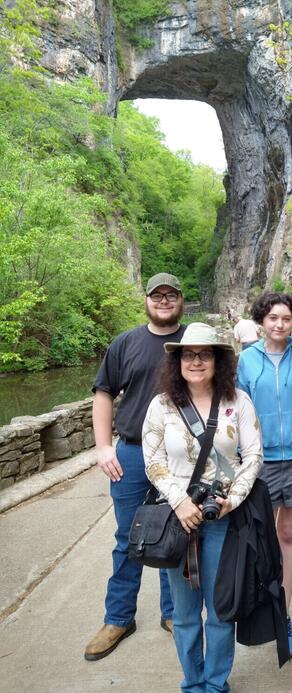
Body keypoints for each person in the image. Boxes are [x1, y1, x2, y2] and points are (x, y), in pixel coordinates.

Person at [143, 322, 263, 692]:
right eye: (188, 354)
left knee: (221, 609)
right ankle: (192, 683)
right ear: (177, 361)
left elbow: (254, 455)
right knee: (184, 614)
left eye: (205, 354)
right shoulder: (162, 405)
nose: (196, 361)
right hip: (177, 520)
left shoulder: (237, 401)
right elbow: (153, 459)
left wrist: (233, 499)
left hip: (222, 519)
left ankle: (215, 684)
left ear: (218, 360)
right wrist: (179, 502)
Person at [84, 273, 186, 661]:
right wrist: (104, 446)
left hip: (181, 457)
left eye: (171, 295)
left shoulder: (193, 340)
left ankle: (174, 613)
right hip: (131, 453)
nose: (163, 301)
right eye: (157, 295)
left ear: (181, 300)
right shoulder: (125, 343)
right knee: (128, 537)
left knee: (176, 534)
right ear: (146, 300)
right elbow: (104, 393)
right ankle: (119, 617)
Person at [236, 292, 292, 656]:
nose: (279, 324)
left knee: (288, 533)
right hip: (261, 462)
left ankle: (282, 615)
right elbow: (237, 412)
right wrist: (244, 458)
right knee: (261, 541)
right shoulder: (246, 360)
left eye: (286, 318)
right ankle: (262, 608)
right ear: (261, 321)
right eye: (272, 318)